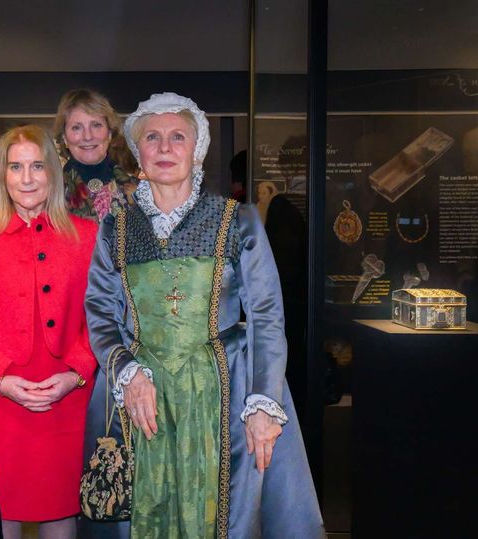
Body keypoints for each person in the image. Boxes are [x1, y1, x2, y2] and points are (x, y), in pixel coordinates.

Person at [81, 92, 324, 538]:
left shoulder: (238, 220)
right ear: (138, 151)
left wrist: (264, 401)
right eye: (152, 138)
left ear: (197, 149)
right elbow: (98, 309)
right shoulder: (115, 227)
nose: (165, 147)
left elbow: (267, 314)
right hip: (141, 394)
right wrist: (126, 372)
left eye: (178, 137)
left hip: (225, 393)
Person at [0, 125, 98, 539]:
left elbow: (103, 320)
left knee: (61, 514)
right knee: (0, 515)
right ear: (2, 175)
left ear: (52, 172)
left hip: (66, 401)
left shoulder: (88, 237)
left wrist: (75, 373)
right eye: (15, 167)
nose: (27, 177)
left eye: (37, 166)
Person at [53, 88, 138, 220]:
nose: (88, 136)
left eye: (96, 125)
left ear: (109, 133)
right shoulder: (49, 192)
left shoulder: (141, 191)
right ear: (64, 137)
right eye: (77, 127)